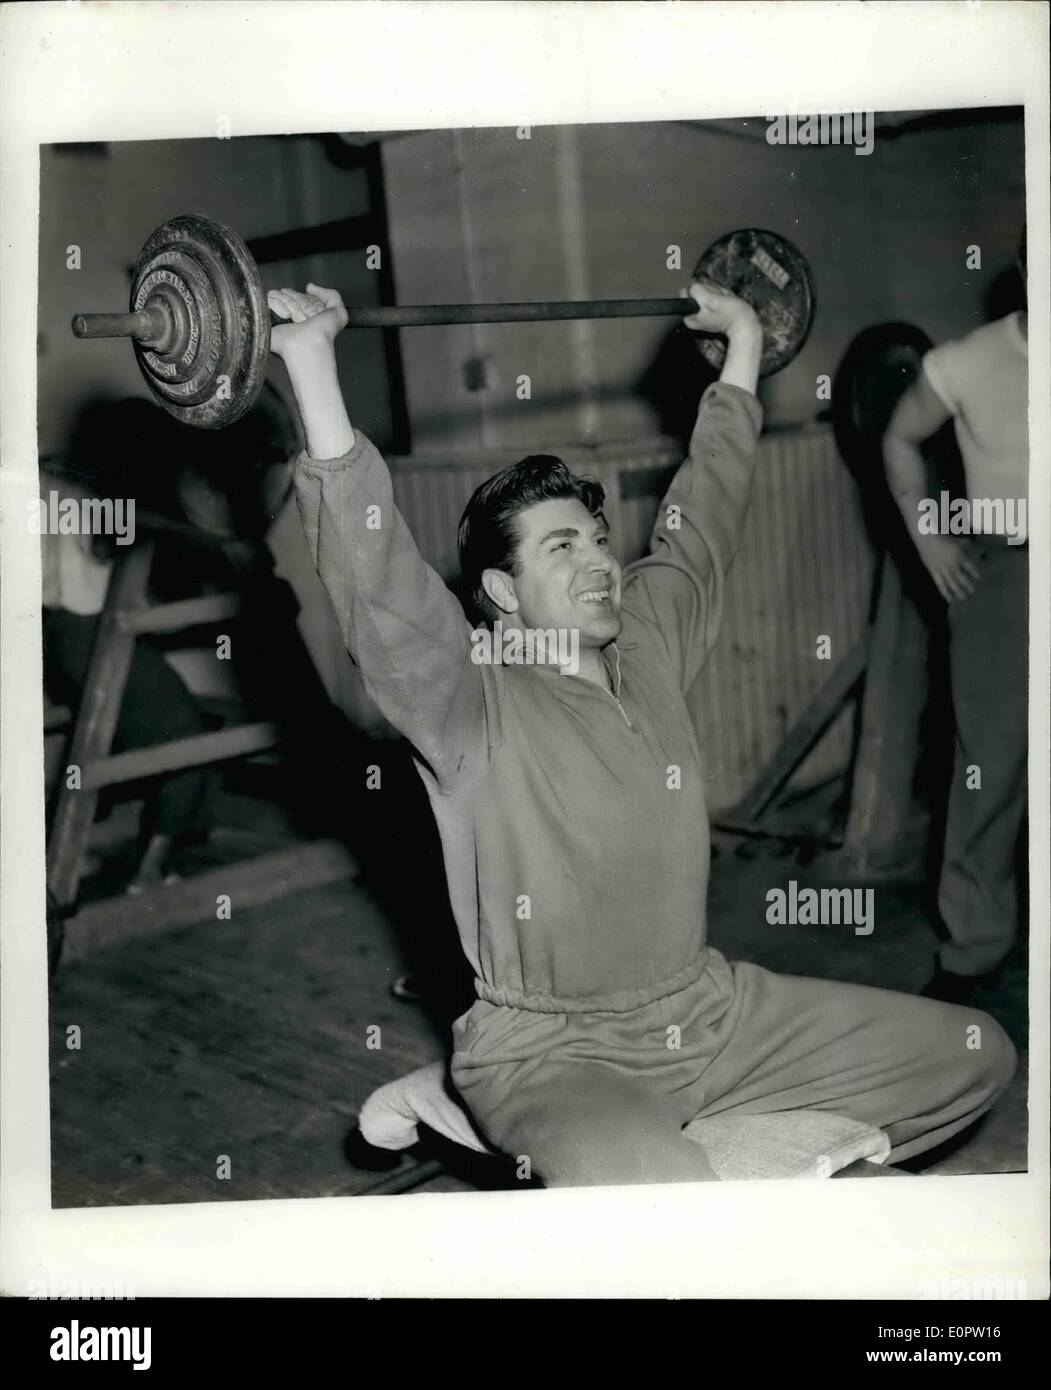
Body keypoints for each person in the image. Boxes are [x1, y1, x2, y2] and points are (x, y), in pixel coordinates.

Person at [272, 278, 1016, 1187]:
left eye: (595, 537)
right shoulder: (464, 697)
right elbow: (376, 579)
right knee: (666, 1207)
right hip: (551, 1052)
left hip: (704, 1012)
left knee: (974, 1053)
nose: (597, 560)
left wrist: (743, 349)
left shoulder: (647, 641)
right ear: (501, 595)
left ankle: (689, 1136)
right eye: (560, 548)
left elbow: (702, 519)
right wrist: (312, 367)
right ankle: (481, 1101)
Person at [882, 237, 1028, 1004]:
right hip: (1005, 573)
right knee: (989, 766)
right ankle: (972, 949)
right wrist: (928, 539)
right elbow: (898, 438)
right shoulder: (967, 361)